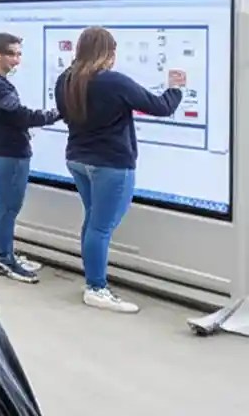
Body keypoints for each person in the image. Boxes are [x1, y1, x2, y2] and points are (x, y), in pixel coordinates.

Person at [55, 26, 183, 314]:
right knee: (101, 227)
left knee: (93, 221)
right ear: (108, 53)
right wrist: (176, 88)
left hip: (77, 160)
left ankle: (92, 281)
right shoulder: (113, 82)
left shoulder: (65, 79)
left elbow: (65, 114)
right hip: (111, 164)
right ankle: (96, 288)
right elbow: (160, 106)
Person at [0, 32, 60, 284]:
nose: (17, 60)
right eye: (12, 54)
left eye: (20, 54)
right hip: (8, 152)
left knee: (7, 205)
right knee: (8, 207)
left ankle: (6, 253)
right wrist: (57, 113)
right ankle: (4, 259)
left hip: (1, 148)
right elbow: (22, 115)